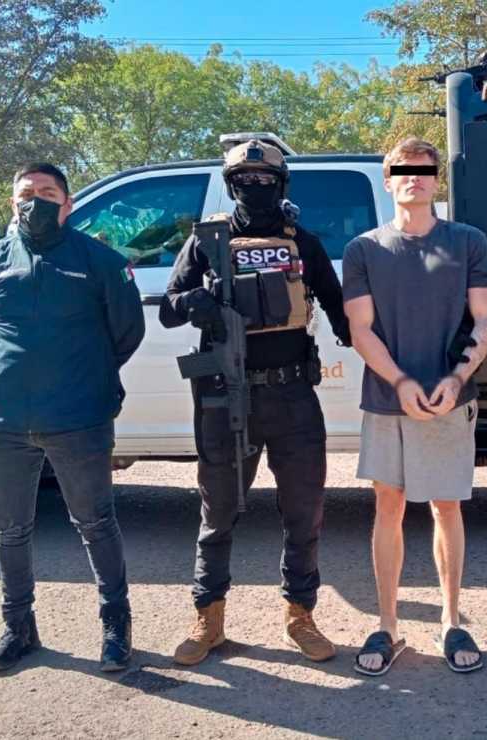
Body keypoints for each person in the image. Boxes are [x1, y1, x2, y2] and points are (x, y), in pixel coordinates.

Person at [159, 140, 350, 667]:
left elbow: (341, 311)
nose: (255, 186)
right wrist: (197, 301)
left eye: (264, 179)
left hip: (293, 397)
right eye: (244, 179)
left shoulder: (301, 242)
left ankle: (300, 615)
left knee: (304, 513)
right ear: (231, 184)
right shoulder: (207, 241)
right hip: (225, 396)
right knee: (218, 513)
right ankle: (209, 617)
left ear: (281, 184)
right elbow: (169, 309)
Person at [0, 162, 146, 673]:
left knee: (95, 523)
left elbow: (127, 332)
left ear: (67, 205)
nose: (36, 200)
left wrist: (84, 376)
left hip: (78, 418)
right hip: (6, 421)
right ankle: (18, 627)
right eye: (27, 192)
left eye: (48, 192)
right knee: (9, 529)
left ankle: (116, 627)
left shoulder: (99, 261)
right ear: (12, 203)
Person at [343, 137, 487, 676]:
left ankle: (451, 621)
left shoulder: (468, 241)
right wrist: (401, 381)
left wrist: (457, 378)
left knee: (446, 506)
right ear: (388, 181)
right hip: (387, 398)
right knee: (387, 506)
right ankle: (388, 626)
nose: (414, 178)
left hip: (449, 398)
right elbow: (361, 329)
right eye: (403, 170)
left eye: (425, 170)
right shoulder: (363, 249)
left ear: (437, 180)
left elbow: (486, 320)